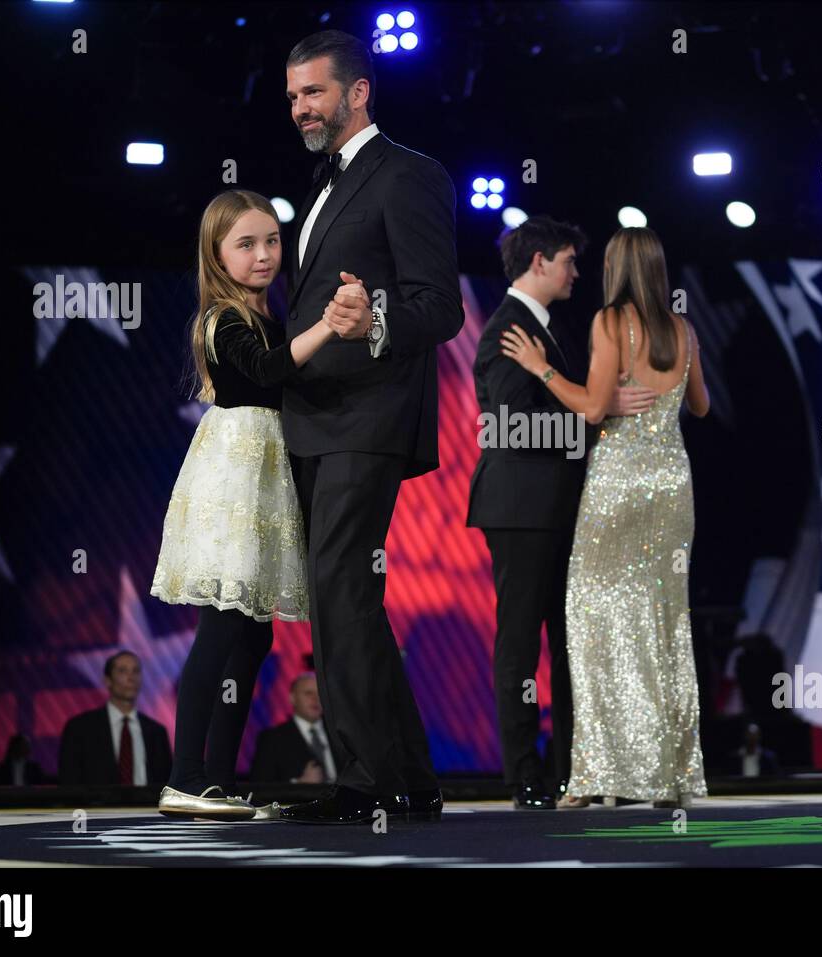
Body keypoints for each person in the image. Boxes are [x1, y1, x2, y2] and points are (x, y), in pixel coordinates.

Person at [278, 30, 463, 825]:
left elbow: (442, 306)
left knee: (339, 587)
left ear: (358, 91)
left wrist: (371, 318)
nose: (300, 110)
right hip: (315, 419)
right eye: (292, 97)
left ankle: (361, 780)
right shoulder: (320, 183)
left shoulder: (411, 175)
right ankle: (410, 776)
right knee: (347, 598)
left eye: (312, 93)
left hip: (368, 416)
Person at [500, 226, 711, 809]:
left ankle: (598, 776)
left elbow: (593, 408)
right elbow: (701, 405)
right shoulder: (684, 329)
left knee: (593, 621)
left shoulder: (610, 323)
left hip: (618, 482)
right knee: (665, 622)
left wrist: (542, 368)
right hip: (672, 484)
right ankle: (671, 776)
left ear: (615, 268)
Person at [150, 189, 336, 820]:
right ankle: (184, 776)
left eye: (272, 241)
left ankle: (217, 780)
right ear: (217, 254)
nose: (264, 255)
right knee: (224, 622)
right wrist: (328, 327)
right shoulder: (223, 321)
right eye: (247, 244)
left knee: (254, 638)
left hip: (265, 476)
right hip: (235, 478)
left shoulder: (265, 314)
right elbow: (267, 369)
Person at [467, 215, 657, 809]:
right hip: (523, 509)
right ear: (540, 263)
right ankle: (525, 775)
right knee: (522, 642)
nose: (578, 272)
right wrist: (593, 413)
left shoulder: (540, 330)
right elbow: (509, 426)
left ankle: (573, 770)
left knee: (568, 640)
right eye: (570, 261)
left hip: (552, 508)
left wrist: (592, 408)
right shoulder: (510, 330)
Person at [57, 650, 172, 787]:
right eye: (123, 671)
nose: (131, 678)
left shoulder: (157, 732)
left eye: (136, 671)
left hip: (146, 807)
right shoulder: (79, 728)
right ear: (107, 681)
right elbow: (69, 782)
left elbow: (166, 785)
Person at [250, 673, 337, 785]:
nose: (316, 699)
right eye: (308, 693)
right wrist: (298, 784)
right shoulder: (272, 739)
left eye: (320, 693)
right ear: (293, 698)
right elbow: (259, 787)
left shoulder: (341, 735)